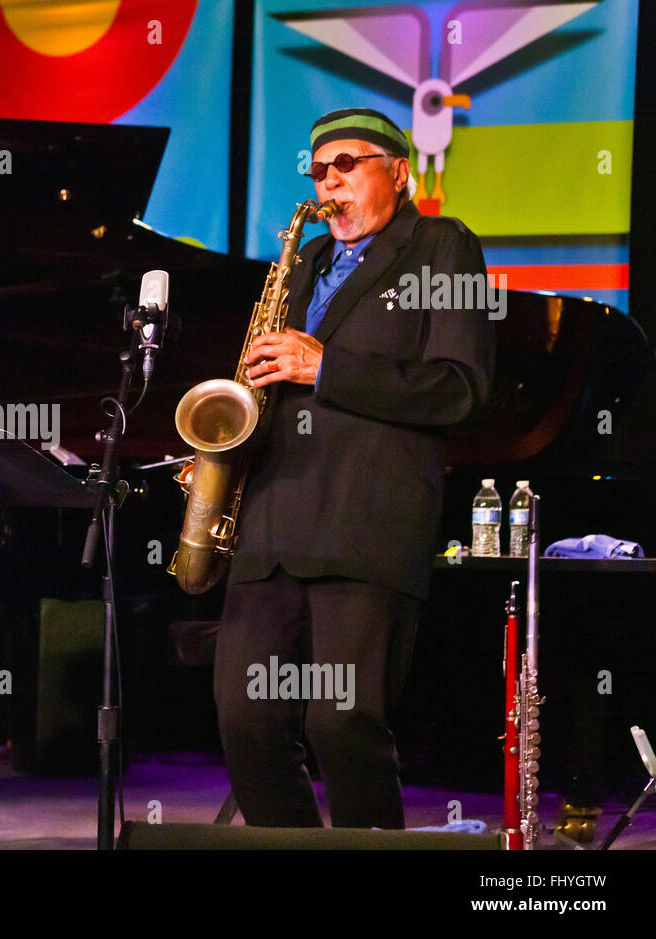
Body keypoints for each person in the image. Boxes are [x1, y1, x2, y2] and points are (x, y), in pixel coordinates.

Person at [213, 108, 496, 829]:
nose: (328, 182)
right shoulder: (302, 261)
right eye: (318, 169)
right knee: (245, 723)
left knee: (343, 727)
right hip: (273, 524)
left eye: (348, 164)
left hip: (365, 524)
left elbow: (459, 387)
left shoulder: (442, 246)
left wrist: (326, 365)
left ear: (398, 171)